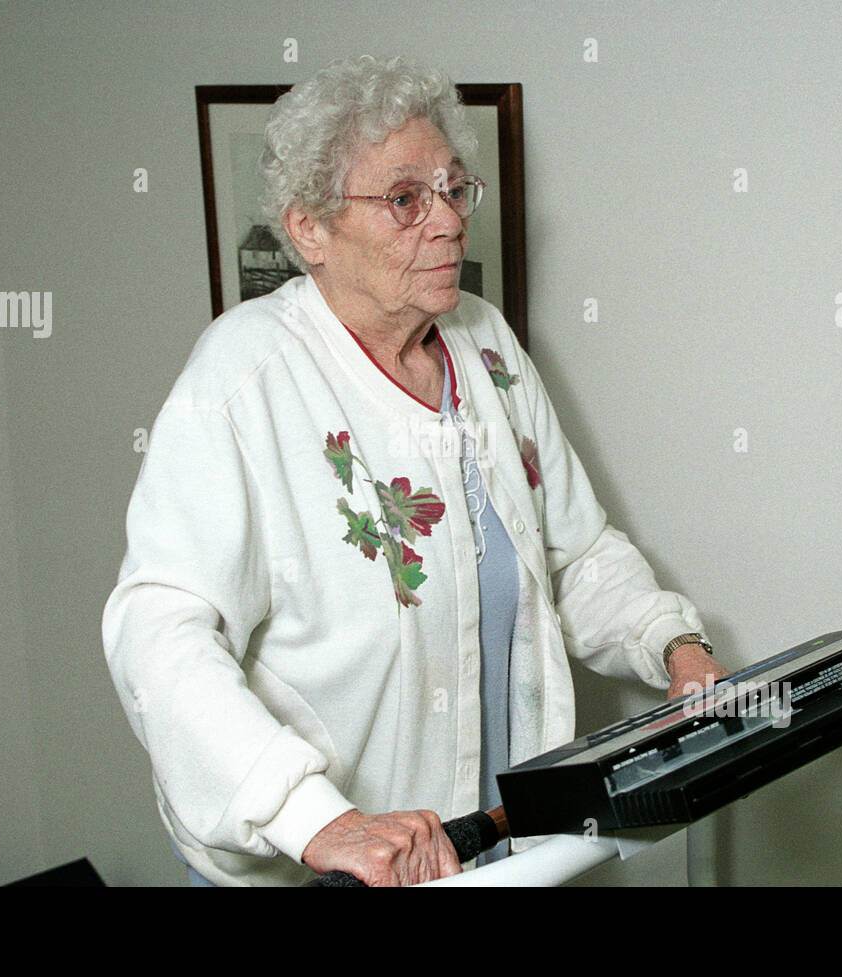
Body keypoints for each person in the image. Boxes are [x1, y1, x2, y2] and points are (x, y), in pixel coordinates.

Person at [101, 54, 730, 887]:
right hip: (318, 872)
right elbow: (159, 632)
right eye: (405, 199)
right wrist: (316, 818)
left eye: (453, 188)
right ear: (309, 229)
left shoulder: (486, 342)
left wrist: (675, 646)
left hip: (486, 853)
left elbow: (574, 551)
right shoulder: (244, 377)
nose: (448, 221)